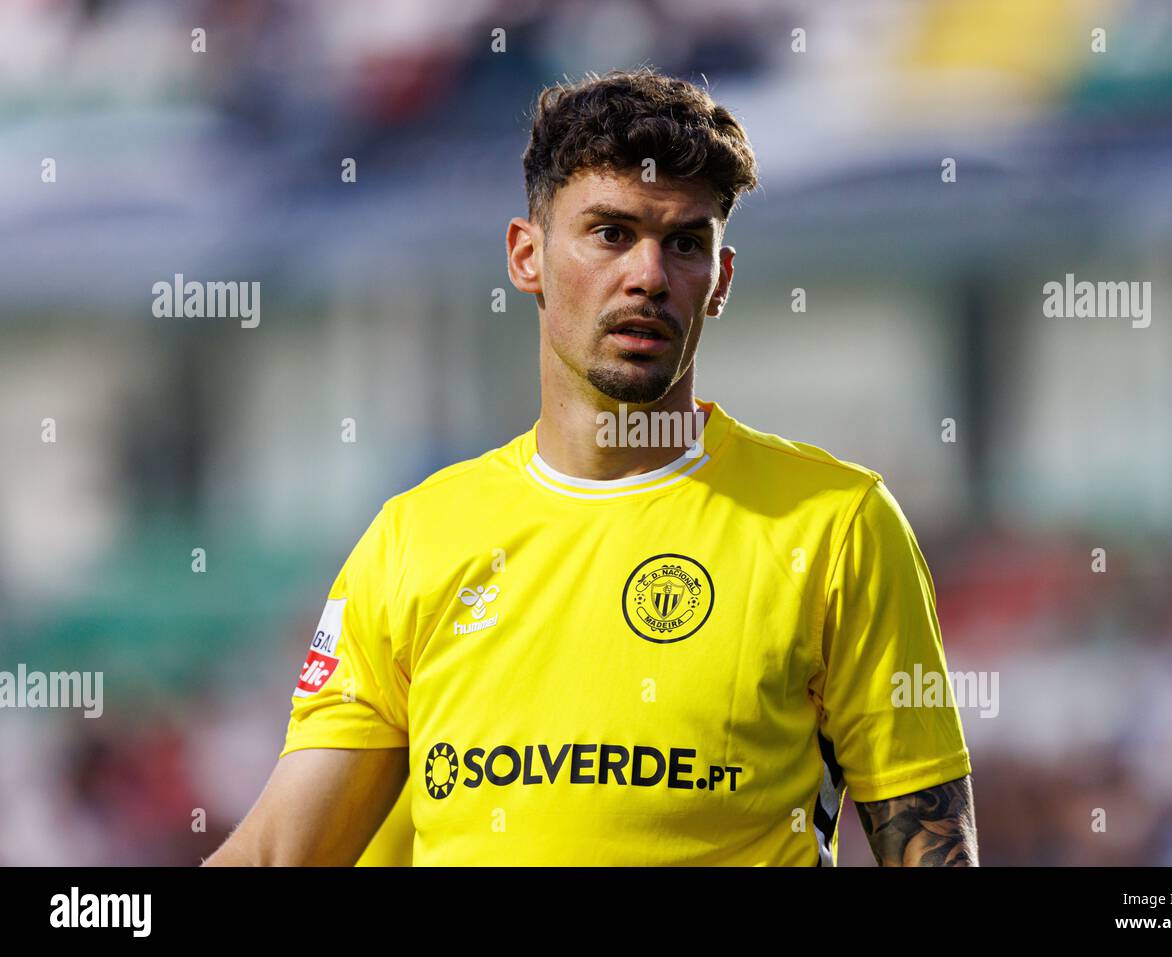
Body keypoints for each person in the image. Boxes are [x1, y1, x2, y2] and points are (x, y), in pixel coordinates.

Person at [204, 66, 977, 867]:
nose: (649, 275)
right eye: (611, 233)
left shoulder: (834, 525)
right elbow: (278, 855)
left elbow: (934, 850)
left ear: (721, 282)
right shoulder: (414, 540)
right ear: (526, 255)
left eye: (685, 243)